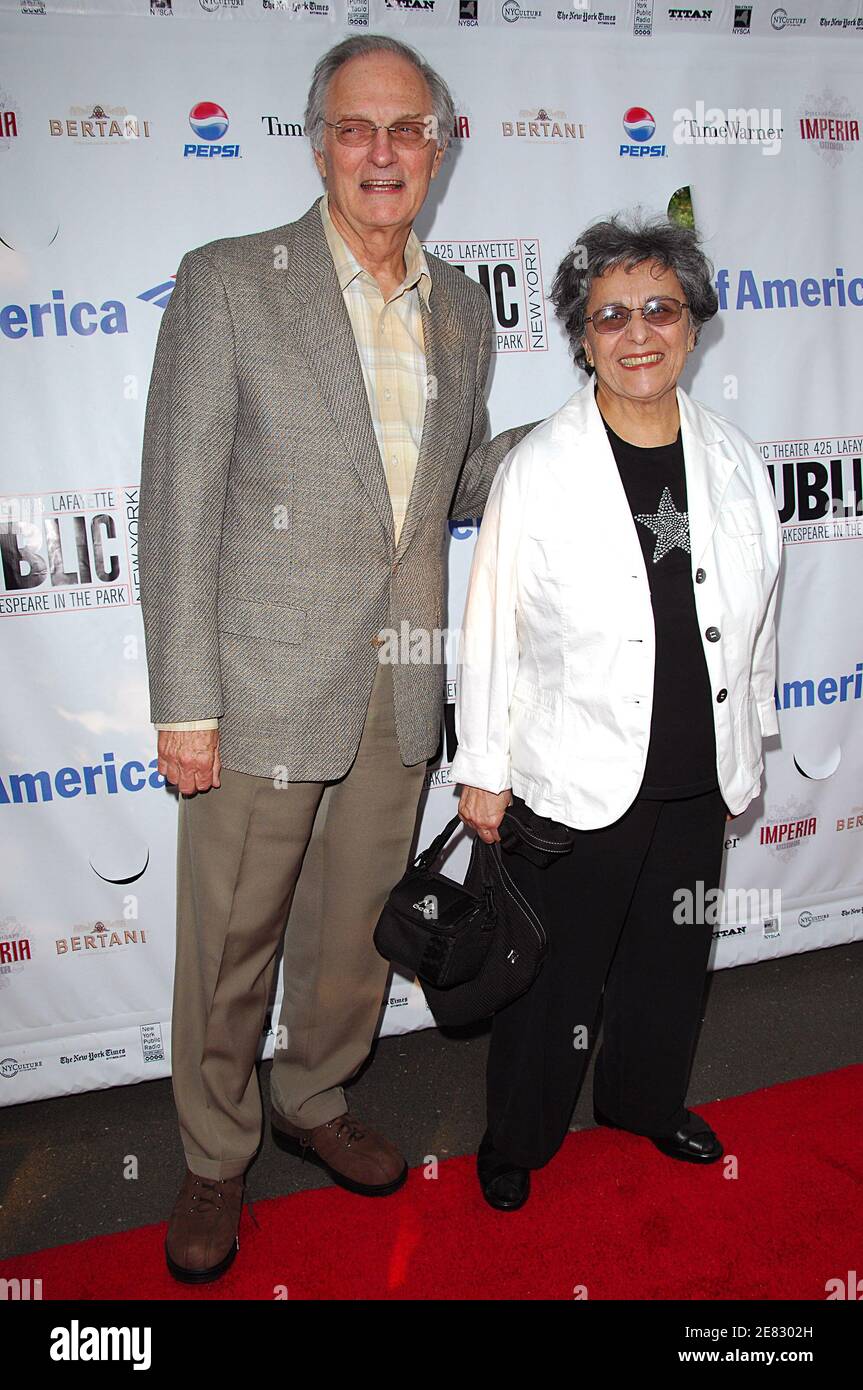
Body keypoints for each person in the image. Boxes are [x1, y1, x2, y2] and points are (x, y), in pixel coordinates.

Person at [138, 33, 538, 1282]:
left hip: (398, 682)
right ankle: (212, 1154)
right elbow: (177, 501)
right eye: (358, 129)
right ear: (318, 144)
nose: (382, 152)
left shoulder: (462, 305)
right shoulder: (229, 282)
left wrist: (566, 441)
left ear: (437, 147)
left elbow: (451, 486)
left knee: (356, 933)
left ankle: (314, 1096)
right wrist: (184, 699)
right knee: (230, 940)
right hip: (257, 684)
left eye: (407, 129)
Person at [451, 212, 783, 1211]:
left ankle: (642, 1100)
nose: (636, 333)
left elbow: (758, 607)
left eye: (657, 309)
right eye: (608, 316)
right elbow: (490, 624)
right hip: (568, 773)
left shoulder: (731, 457)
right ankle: (515, 1135)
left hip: (692, 771)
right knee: (551, 977)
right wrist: (482, 765)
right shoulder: (541, 466)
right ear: (579, 333)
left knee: (669, 963)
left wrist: (746, 744)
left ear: (690, 322)